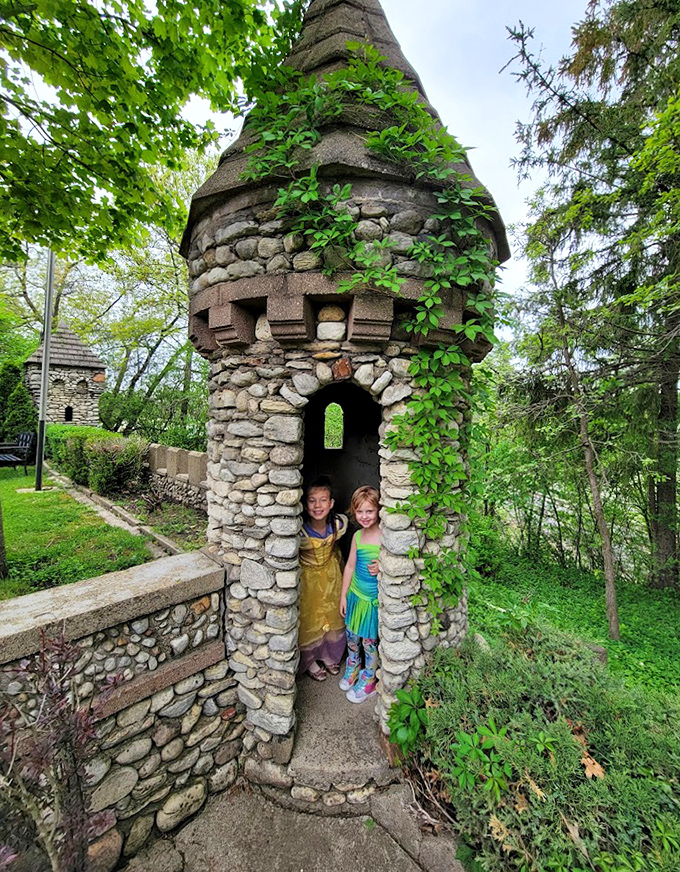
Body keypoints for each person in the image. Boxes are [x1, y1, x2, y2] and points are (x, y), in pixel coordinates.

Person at [298, 476, 348, 681]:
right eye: (312, 500)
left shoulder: (337, 525)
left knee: (332, 616)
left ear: (331, 503)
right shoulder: (300, 532)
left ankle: (328, 654)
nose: (318, 505)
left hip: (332, 577)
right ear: (305, 503)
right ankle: (310, 660)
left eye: (323, 500)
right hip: (309, 581)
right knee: (310, 621)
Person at [340, 485, 380, 703]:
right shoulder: (357, 536)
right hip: (356, 595)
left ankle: (370, 678)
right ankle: (353, 667)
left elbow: (395, 566)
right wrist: (343, 595)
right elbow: (349, 567)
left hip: (371, 600)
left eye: (370, 511)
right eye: (360, 511)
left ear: (378, 510)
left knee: (369, 641)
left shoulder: (385, 537)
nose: (364, 516)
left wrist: (383, 567)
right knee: (352, 636)